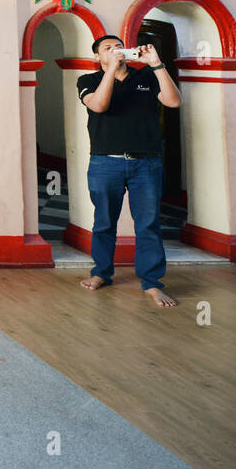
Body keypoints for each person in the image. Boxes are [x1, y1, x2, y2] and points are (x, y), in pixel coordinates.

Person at [77, 35, 181, 307]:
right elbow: (99, 105)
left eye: (117, 47)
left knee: (148, 224)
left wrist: (157, 65)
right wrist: (110, 69)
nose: (114, 51)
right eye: (106, 49)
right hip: (105, 163)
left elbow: (173, 102)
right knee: (104, 222)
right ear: (97, 57)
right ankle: (101, 273)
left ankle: (152, 283)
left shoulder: (147, 77)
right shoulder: (87, 81)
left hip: (146, 163)